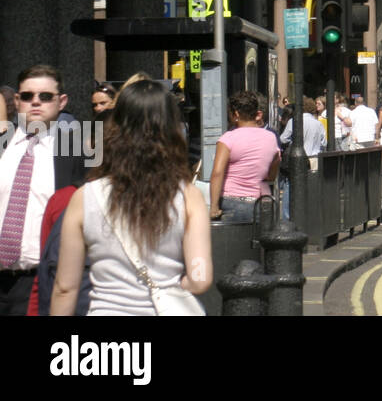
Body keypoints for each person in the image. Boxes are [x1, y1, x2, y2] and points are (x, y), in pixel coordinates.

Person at [51, 78, 211, 316]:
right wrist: (171, 289)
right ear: (174, 129)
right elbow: (200, 279)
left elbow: (65, 287)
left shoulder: (85, 197)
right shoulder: (189, 196)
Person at [0, 65, 87, 316]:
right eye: (27, 96)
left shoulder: (75, 152)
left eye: (45, 96)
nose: (35, 102)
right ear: (17, 101)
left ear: (61, 102)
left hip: (42, 281)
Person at [208, 91, 280, 223]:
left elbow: (218, 173)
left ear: (235, 114)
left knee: (232, 242)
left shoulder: (228, 139)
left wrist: (213, 207)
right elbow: (271, 176)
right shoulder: (271, 138)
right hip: (262, 202)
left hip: (232, 201)